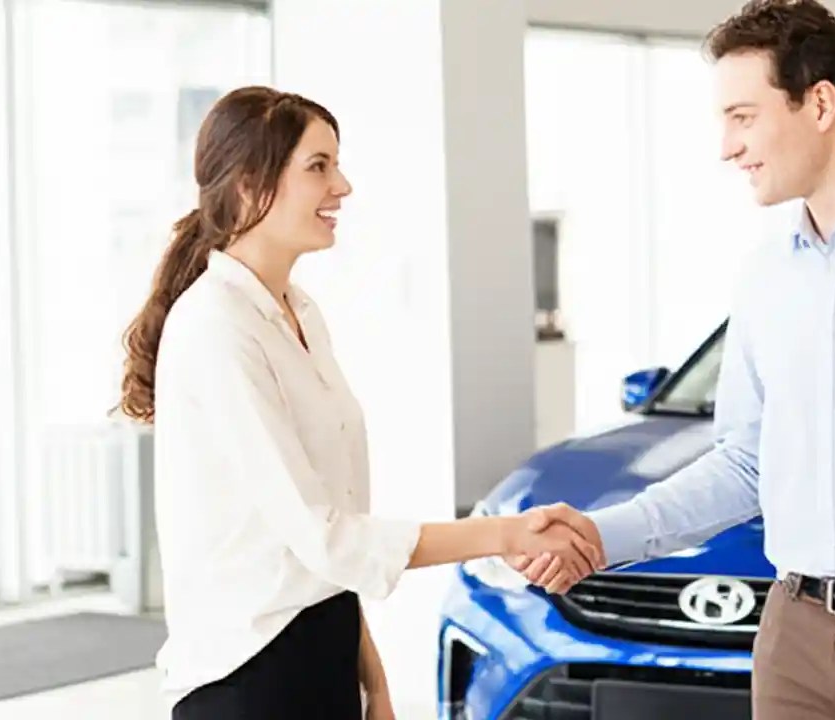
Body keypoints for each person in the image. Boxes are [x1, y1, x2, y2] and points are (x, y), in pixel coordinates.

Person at [515, 1, 835, 717]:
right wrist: (605, 535)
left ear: (820, 102)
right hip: (794, 639)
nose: (727, 147)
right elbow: (747, 461)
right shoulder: (767, 274)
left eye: (743, 116)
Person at [115, 86, 602, 720]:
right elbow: (326, 538)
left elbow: (321, 538)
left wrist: (368, 671)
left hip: (320, 650)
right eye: (318, 166)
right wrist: (501, 533)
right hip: (247, 679)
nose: (342, 185)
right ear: (248, 186)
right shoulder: (215, 327)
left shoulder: (300, 314)